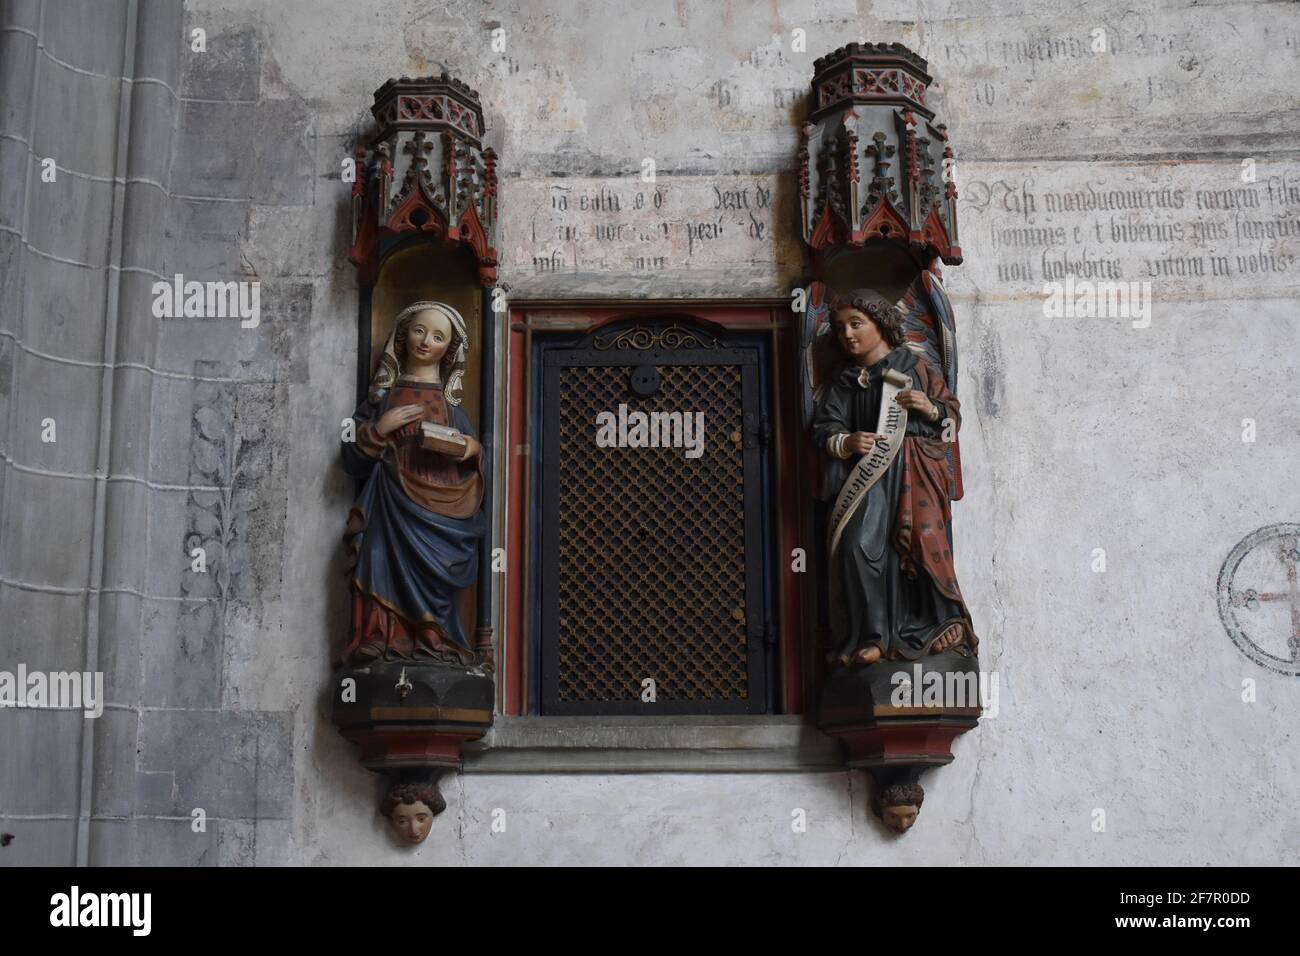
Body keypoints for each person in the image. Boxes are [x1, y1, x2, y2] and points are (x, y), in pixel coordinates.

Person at [812, 288, 976, 667]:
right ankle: (872, 637)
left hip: (916, 469)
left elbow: (952, 420)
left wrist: (931, 408)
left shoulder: (915, 368)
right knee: (856, 547)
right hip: (869, 478)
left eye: (856, 324)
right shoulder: (845, 381)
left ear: (880, 324)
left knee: (924, 543)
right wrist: (846, 441)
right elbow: (824, 428)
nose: (848, 335)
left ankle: (942, 623)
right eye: (840, 329)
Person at [340, 301, 486, 667]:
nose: (426, 342)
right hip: (389, 502)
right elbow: (350, 460)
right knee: (376, 558)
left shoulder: (452, 408)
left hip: (440, 506)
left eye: (438, 336)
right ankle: (378, 638)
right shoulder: (381, 399)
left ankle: (433, 638)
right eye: (420, 331)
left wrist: (469, 448)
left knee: (434, 573)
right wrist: (379, 429)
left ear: (448, 349)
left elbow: (473, 449)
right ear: (403, 336)